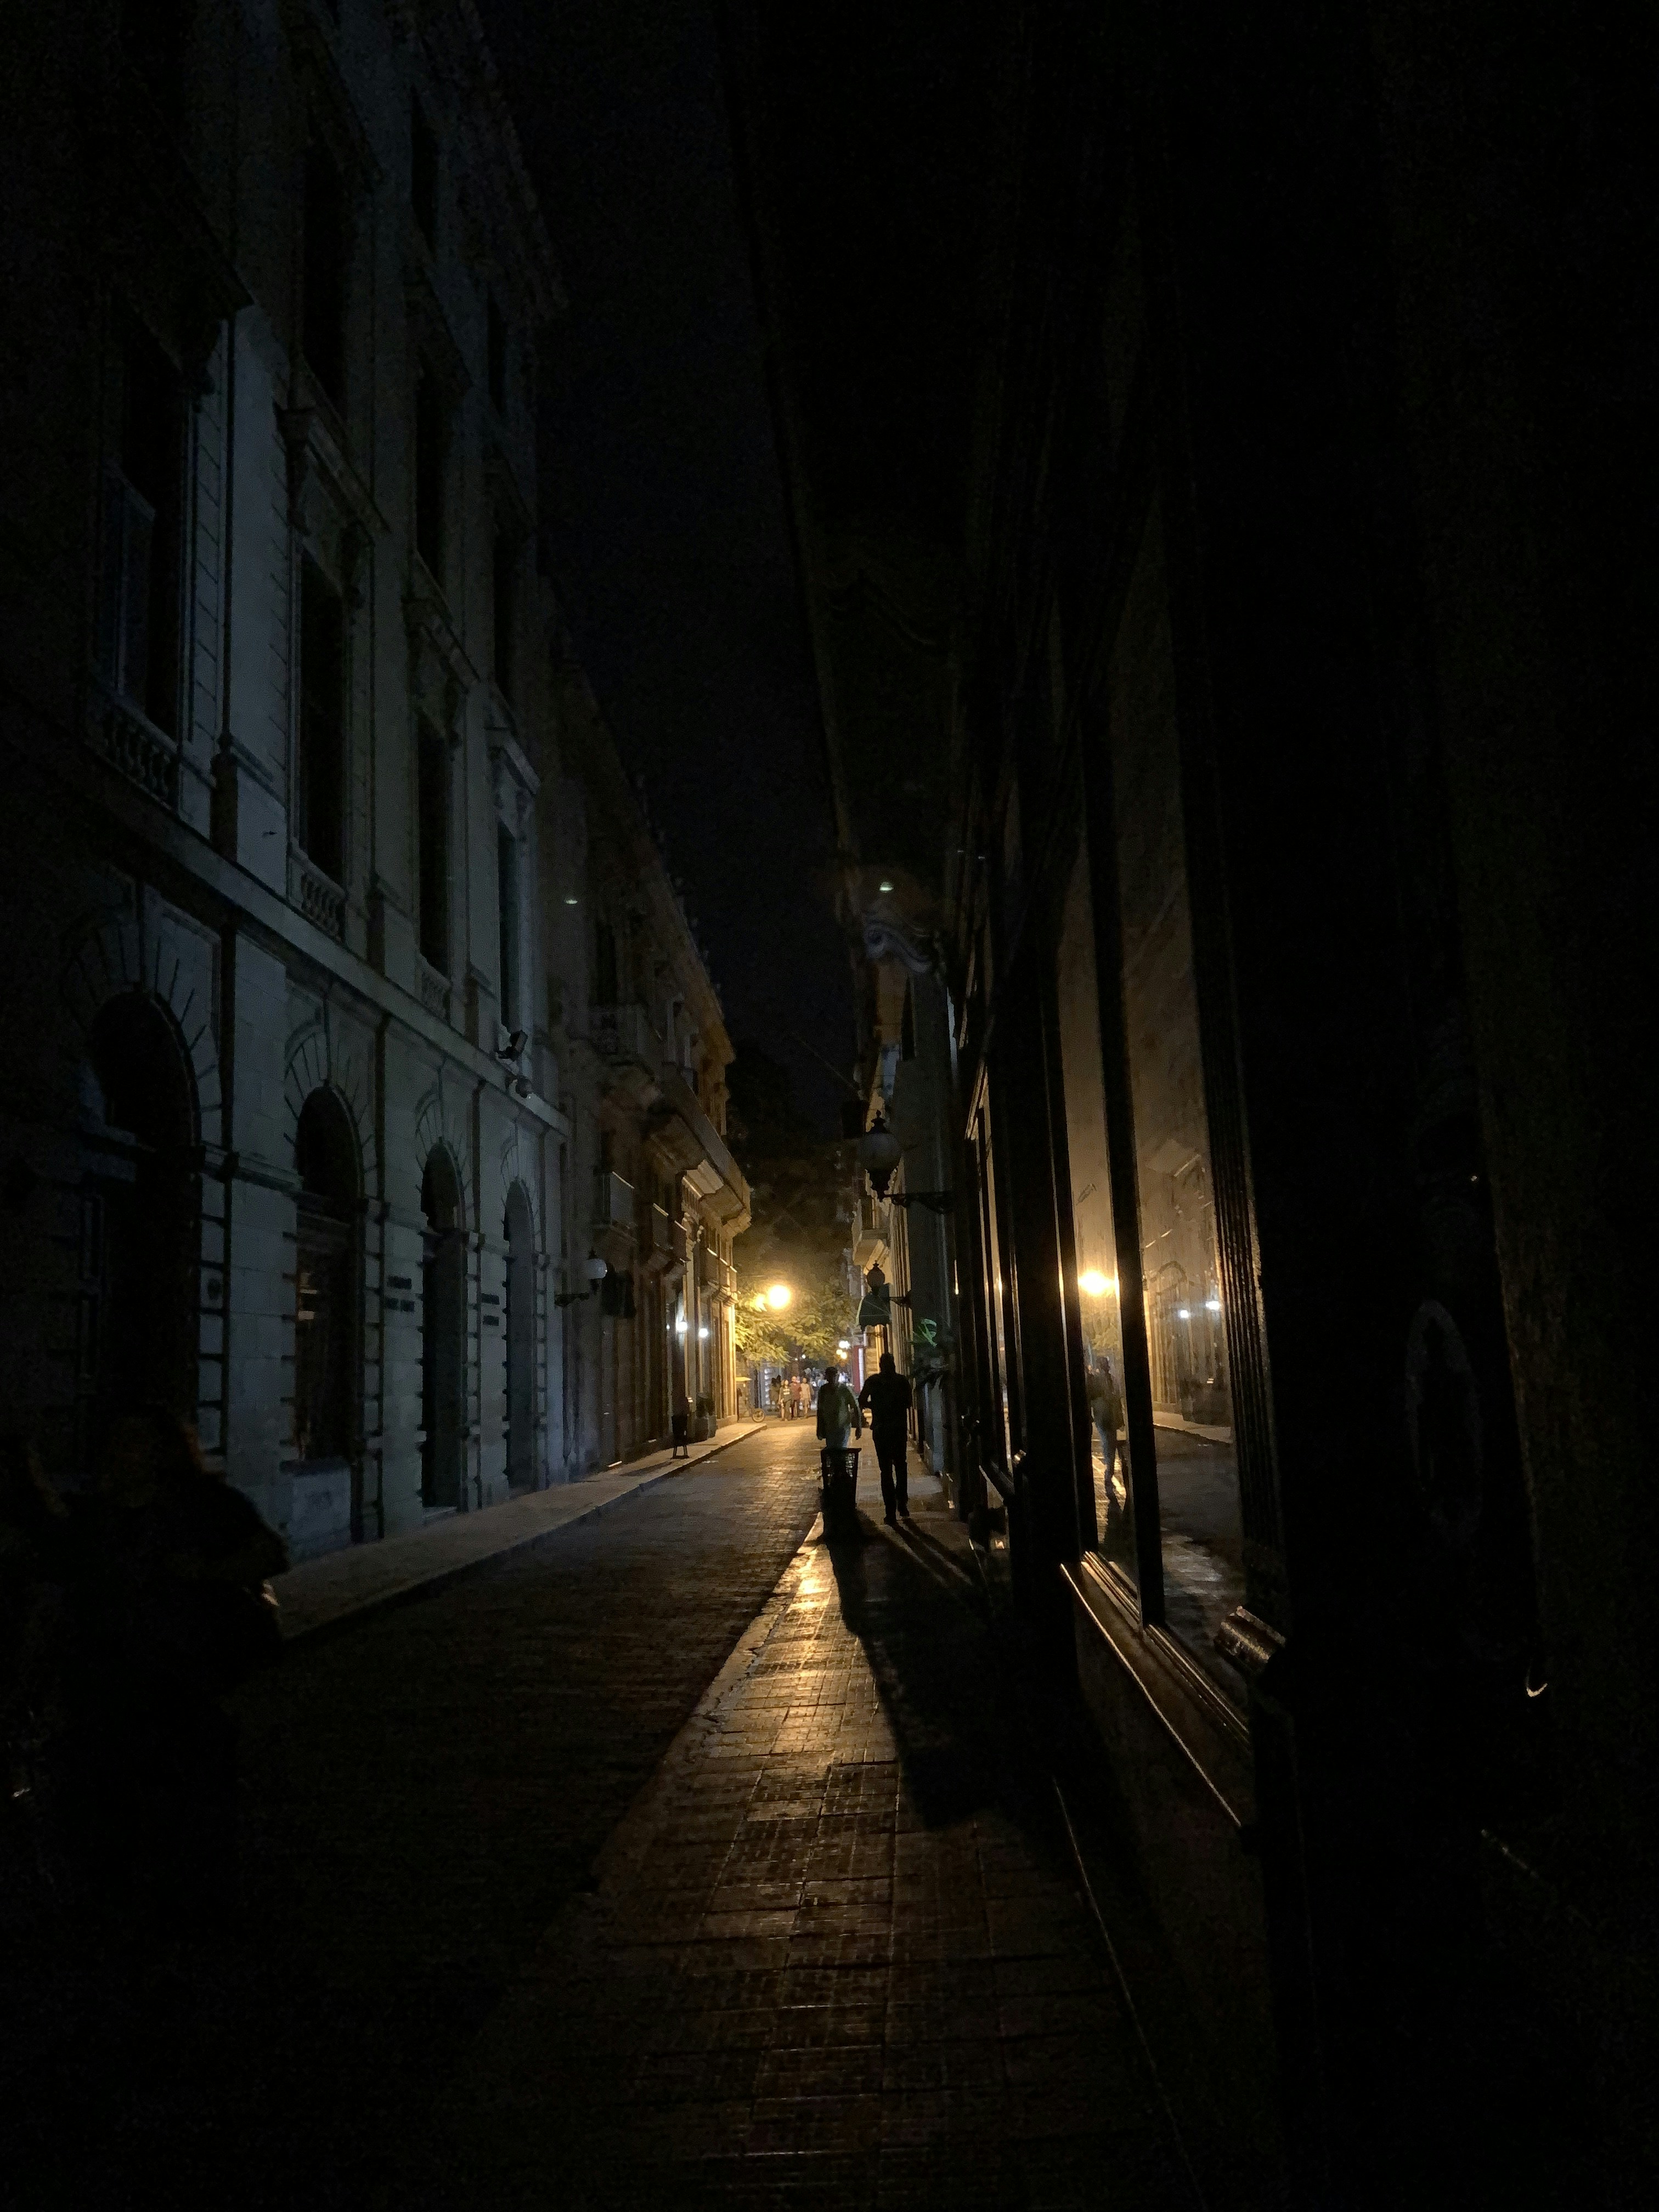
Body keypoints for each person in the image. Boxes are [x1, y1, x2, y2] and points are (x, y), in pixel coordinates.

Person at [859, 1351, 914, 1526]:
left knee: (886, 1471)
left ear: (881, 1365)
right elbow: (909, 1403)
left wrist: (875, 1405)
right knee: (901, 1466)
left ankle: (890, 1511)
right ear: (894, 1364)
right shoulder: (902, 1381)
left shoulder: (873, 1381)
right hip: (898, 1429)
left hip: (881, 1430)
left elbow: (861, 1400)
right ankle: (902, 1505)